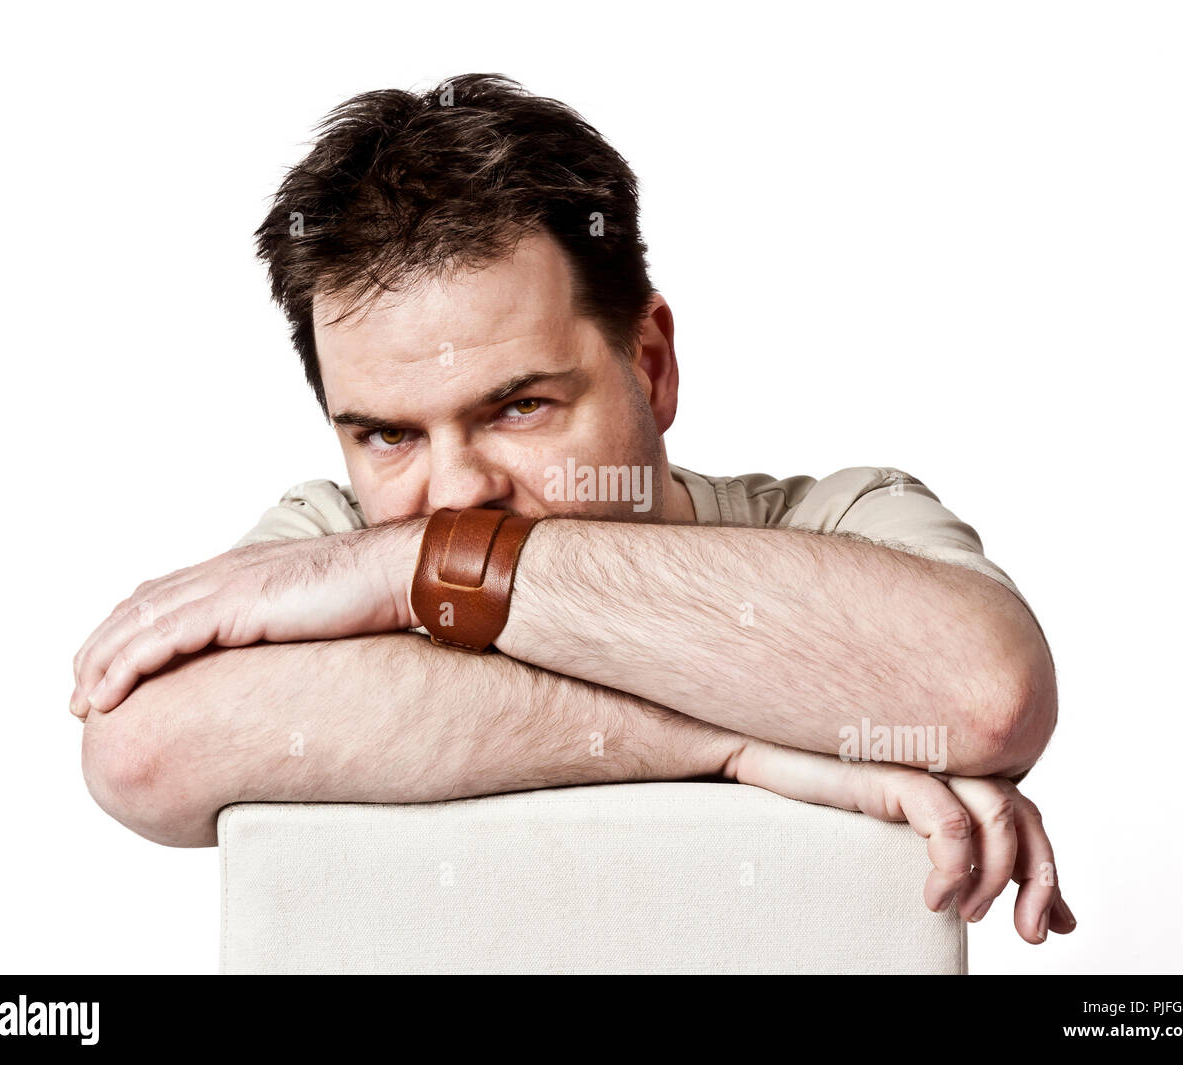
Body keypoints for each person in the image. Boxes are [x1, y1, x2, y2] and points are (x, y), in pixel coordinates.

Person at [72, 74, 1073, 944]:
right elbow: (144, 752)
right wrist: (737, 743)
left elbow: (987, 699)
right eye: (388, 434)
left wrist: (402, 571)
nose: (455, 497)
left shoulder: (847, 520)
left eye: (518, 407)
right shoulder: (317, 539)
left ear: (650, 363)